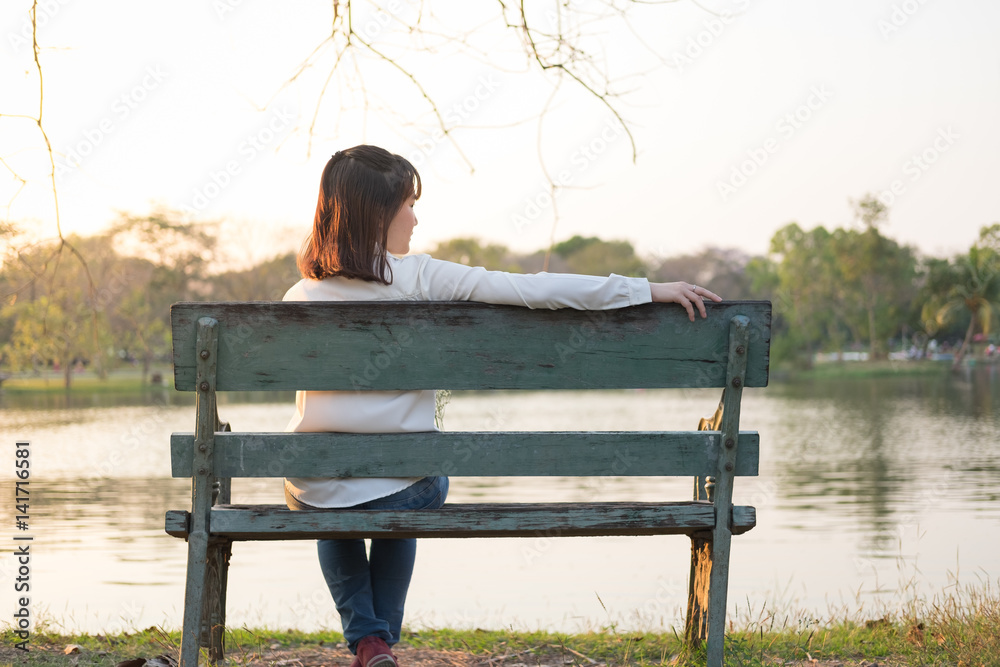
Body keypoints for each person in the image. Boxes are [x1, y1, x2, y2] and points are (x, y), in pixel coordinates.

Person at [282, 144, 721, 667]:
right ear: (377, 211)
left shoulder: (297, 300)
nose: (416, 217)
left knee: (336, 503)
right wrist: (648, 289)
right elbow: (535, 289)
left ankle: (369, 641)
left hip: (313, 485)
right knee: (416, 484)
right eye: (407, 203)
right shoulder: (422, 278)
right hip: (402, 486)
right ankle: (380, 641)